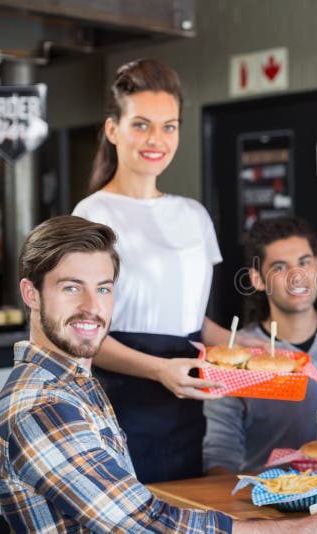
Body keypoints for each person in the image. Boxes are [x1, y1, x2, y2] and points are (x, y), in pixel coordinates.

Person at [0, 215, 317, 534]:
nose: (92, 306)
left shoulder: (76, 385)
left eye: (103, 289)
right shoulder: (44, 405)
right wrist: (300, 530)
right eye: (71, 288)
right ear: (31, 294)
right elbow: (145, 524)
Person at [72, 58, 261, 483]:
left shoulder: (193, 215)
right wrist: (158, 369)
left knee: (183, 513)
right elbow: (82, 336)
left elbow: (190, 323)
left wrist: (251, 349)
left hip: (186, 400)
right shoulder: (92, 214)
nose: (156, 139)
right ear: (112, 130)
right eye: (141, 124)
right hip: (120, 397)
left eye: (169, 126)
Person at [204, 217, 317, 473]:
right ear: (257, 279)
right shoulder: (235, 356)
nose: (296, 276)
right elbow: (220, 454)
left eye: (304, 262)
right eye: (280, 267)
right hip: (263, 499)